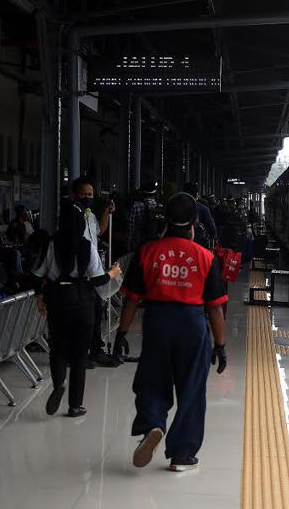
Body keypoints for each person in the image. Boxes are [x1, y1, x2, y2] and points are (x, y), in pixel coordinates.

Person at [115, 192, 227, 472]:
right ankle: (182, 454)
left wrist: (121, 333)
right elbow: (214, 308)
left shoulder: (147, 252)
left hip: (157, 320)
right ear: (194, 222)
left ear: (165, 218)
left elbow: (131, 299)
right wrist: (220, 344)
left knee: (152, 379)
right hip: (192, 323)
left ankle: (153, 423)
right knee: (192, 388)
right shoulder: (206, 257)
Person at [32, 200, 122, 417]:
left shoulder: (51, 244)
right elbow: (98, 279)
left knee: (58, 349)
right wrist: (113, 272)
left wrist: (39, 297)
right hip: (83, 303)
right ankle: (75, 406)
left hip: (58, 302)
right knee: (80, 355)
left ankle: (59, 383)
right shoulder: (86, 245)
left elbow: (36, 274)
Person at [70, 177, 119, 367]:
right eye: (84, 194)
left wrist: (106, 212)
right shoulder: (72, 216)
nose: (88, 197)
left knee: (96, 312)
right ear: (75, 194)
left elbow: (99, 231)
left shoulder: (89, 215)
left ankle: (95, 350)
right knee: (81, 317)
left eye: (90, 194)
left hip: (93, 272)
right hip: (78, 274)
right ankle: (78, 354)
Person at [126, 181, 161, 251]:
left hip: (139, 242)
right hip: (155, 243)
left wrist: (128, 243)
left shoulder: (136, 205)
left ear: (143, 193)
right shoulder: (159, 207)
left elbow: (131, 227)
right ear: (154, 193)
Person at [182, 182, 217, 248]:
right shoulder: (203, 209)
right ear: (196, 194)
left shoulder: (175, 207)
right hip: (197, 245)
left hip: (175, 245)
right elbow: (212, 229)